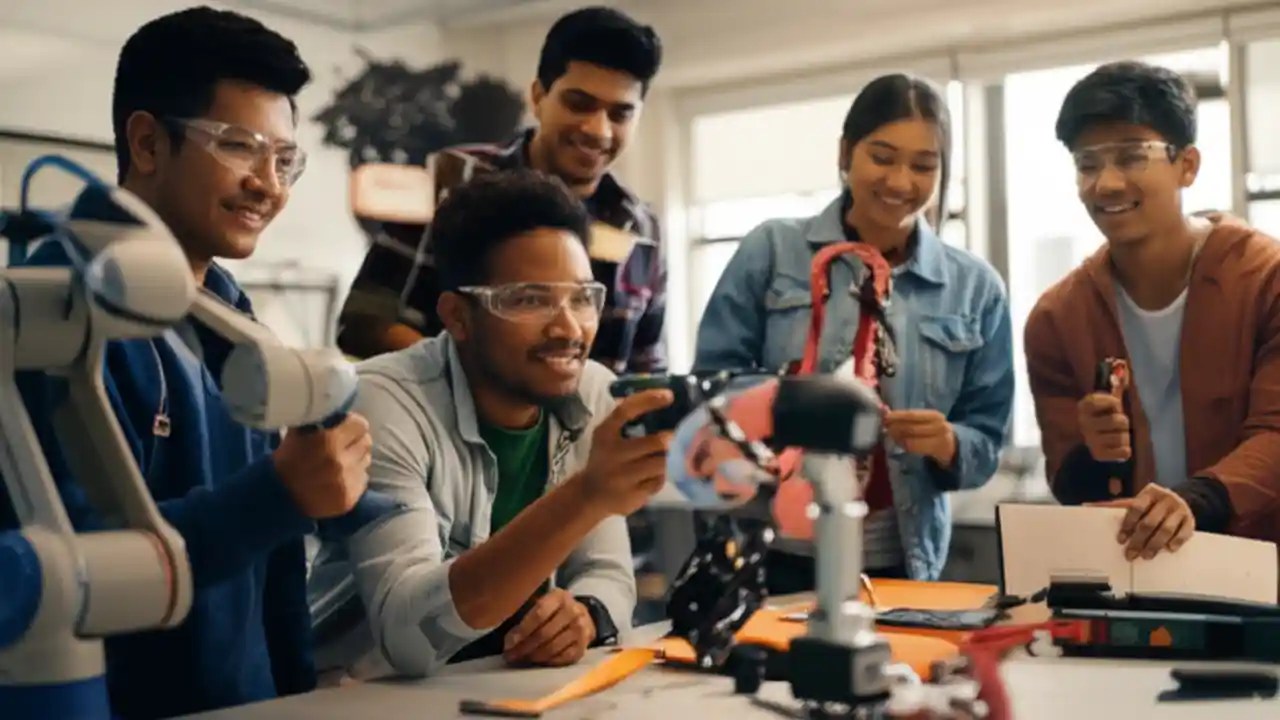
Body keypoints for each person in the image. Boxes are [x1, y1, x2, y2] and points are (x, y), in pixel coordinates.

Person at [0, 8, 374, 719]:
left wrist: (296, 698)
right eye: (241, 147)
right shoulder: (49, 317)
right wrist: (275, 496)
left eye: (285, 159)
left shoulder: (232, 318)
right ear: (147, 141)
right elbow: (64, 573)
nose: (270, 184)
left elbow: (275, 572)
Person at [320, 169, 672, 678]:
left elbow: (605, 573)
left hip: (501, 691)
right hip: (357, 697)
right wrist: (588, 495)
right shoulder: (381, 403)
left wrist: (586, 615)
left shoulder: (590, 389)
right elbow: (407, 637)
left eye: (581, 298)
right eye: (529, 300)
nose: (568, 328)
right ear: (458, 317)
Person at [693, 74, 1015, 589]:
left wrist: (950, 443)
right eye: (882, 157)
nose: (900, 181)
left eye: (923, 165)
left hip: (898, 561)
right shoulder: (771, 251)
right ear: (846, 153)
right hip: (769, 547)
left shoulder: (976, 289)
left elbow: (988, 442)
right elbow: (711, 392)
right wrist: (786, 406)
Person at [1025, 60, 1280, 558]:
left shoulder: (1265, 279)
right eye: (1087, 163)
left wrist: (1196, 500)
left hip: (1259, 578)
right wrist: (1095, 454)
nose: (1107, 183)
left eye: (1132, 156)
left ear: (1187, 164)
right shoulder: (1057, 319)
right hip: (1133, 582)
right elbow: (1069, 483)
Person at [337, 6, 666, 376]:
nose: (597, 129)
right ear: (538, 96)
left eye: (619, 114)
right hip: (442, 426)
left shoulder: (641, 229)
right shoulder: (456, 179)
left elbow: (646, 367)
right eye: (579, 104)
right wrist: (480, 385)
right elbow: (364, 321)